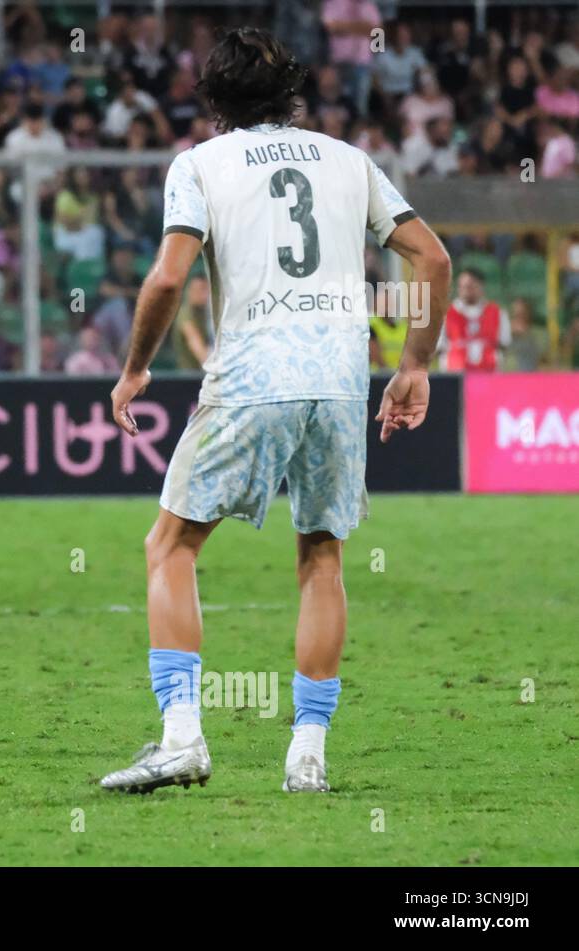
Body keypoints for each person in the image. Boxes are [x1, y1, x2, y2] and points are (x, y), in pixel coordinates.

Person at [101, 28, 450, 796]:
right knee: (322, 557)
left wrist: (134, 370)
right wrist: (415, 365)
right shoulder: (348, 160)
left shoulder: (199, 164)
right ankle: (307, 757)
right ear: (292, 89)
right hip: (338, 379)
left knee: (171, 547)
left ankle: (182, 738)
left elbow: (167, 279)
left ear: (214, 99)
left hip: (254, 373)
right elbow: (432, 257)